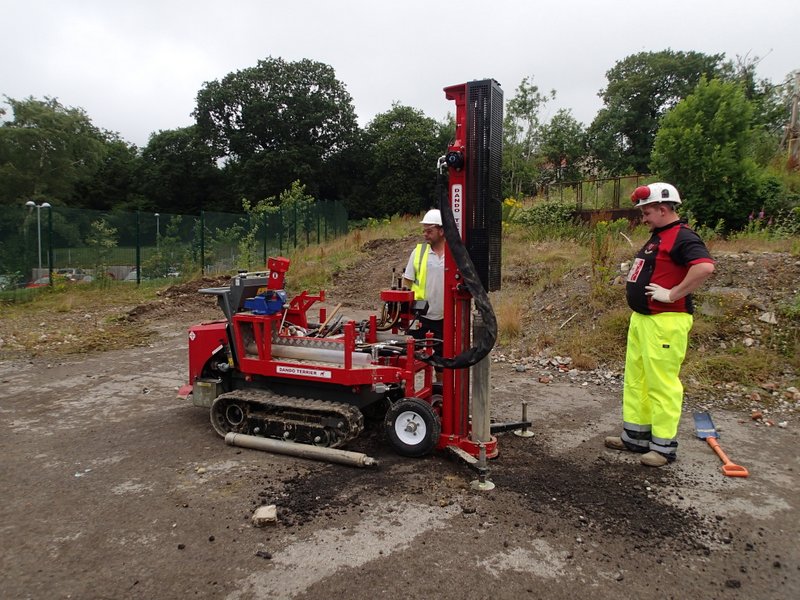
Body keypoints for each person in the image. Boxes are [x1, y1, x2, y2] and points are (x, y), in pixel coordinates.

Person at [605, 183, 715, 467]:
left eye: (646, 212)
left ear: (663, 209)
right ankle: (635, 437)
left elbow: (704, 267)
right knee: (637, 380)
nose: (643, 218)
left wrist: (673, 293)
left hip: (665, 322)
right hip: (643, 320)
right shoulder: (659, 236)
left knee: (661, 384)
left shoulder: (682, 237)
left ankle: (663, 447)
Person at [403, 209, 445, 379]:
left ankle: (440, 394)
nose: (425, 234)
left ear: (441, 231)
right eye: (424, 231)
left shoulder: (454, 253)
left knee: (442, 361)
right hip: (420, 316)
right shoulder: (418, 252)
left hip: (445, 317)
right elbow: (408, 282)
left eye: (430, 231)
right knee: (410, 357)